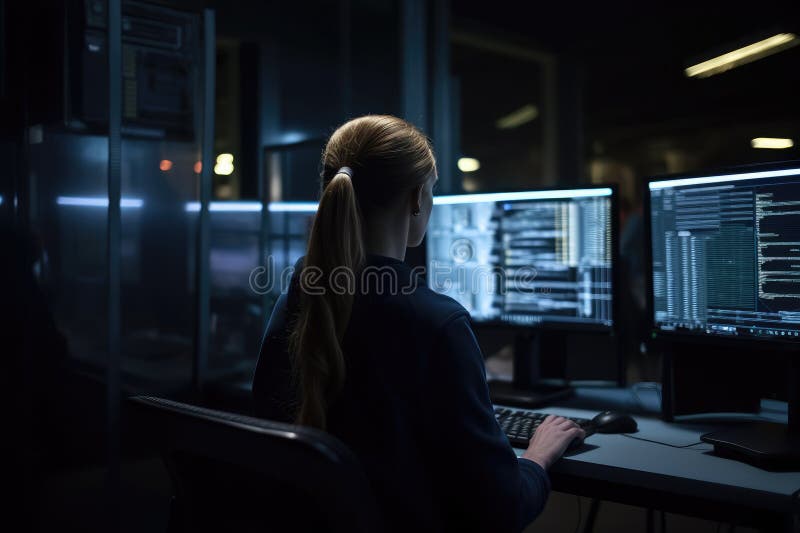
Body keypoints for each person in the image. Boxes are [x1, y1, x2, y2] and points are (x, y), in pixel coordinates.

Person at [253, 115, 584, 532]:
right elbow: (501, 509)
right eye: (431, 191)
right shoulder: (437, 323)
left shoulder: (296, 297)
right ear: (415, 199)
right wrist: (538, 457)